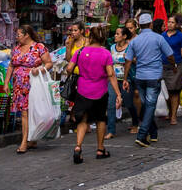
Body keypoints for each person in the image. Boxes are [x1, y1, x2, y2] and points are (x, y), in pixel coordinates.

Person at [122, 13, 175, 148]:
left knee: (147, 106)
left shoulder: (135, 41)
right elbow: (170, 55)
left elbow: (127, 61)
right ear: (151, 24)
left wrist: (125, 78)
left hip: (140, 77)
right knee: (150, 106)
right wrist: (173, 65)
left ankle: (153, 132)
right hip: (153, 77)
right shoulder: (158, 38)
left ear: (139, 25)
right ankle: (141, 135)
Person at [68, 25, 120, 163]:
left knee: (82, 120)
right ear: (103, 39)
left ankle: (78, 147)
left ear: (90, 37)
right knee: (100, 119)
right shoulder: (106, 54)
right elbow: (110, 74)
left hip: (82, 90)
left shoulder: (80, 51)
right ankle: (100, 149)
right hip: (100, 91)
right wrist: (118, 94)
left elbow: (68, 68)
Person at [10, 24, 53, 154]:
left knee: (29, 112)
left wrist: (39, 69)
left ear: (26, 35)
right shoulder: (16, 48)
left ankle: (25, 141)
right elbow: (11, 66)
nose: (17, 37)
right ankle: (30, 139)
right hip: (19, 85)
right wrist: (7, 83)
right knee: (24, 112)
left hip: (33, 84)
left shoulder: (39, 47)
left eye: (19, 35)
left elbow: (49, 63)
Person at [106, 25, 137, 139]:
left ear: (124, 36)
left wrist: (130, 58)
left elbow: (137, 61)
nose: (115, 36)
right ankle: (111, 130)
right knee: (110, 104)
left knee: (128, 103)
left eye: (118, 34)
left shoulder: (130, 47)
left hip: (126, 79)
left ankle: (135, 122)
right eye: (115, 33)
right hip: (113, 79)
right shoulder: (112, 47)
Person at [161, 15, 182, 126]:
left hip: (176, 66)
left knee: (174, 90)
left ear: (176, 24)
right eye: (169, 22)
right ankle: (169, 111)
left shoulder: (181, 36)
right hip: (163, 65)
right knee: (165, 91)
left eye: (172, 22)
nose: (170, 24)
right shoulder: (162, 36)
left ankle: (173, 116)